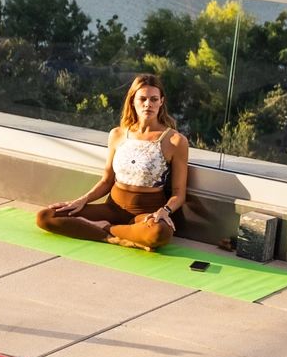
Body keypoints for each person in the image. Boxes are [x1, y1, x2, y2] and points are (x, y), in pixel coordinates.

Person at [34, 72, 191, 252]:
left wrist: (165, 211)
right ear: (133, 101)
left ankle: (104, 228)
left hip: (147, 213)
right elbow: (107, 180)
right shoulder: (117, 134)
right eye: (143, 99)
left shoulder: (175, 141)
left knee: (159, 233)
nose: (148, 104)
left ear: (161, 102)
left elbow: (179, 193)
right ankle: (117, 237)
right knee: (46, 216)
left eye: (154, 99)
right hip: (112, 208)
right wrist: (82, 200)